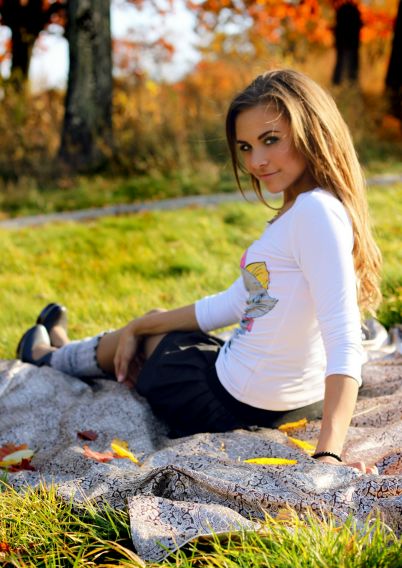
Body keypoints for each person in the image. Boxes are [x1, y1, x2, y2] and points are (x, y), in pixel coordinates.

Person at [17, 69, 382, 474]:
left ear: (313, 131)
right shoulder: (311, 207)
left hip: (228, 403)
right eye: (246, 147)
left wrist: (329, 455)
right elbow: (236, 303)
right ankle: (75, 348)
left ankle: (52, 358)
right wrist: (139, 323)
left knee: (157, 336)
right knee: (153, 323)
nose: (256, 161)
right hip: (294, 399)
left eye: (271, 140)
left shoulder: (313, 211)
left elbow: (343, 335)